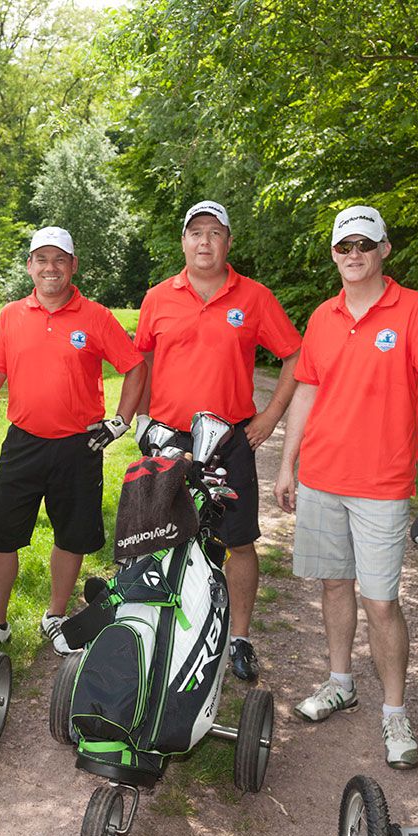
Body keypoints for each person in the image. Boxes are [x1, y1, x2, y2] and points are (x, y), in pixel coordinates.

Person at [272, 204, 418, 770]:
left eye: (364, 244)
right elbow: (305, 393)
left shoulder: (416, 310)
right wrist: (288, 466)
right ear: (334, 254)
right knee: (334, 586)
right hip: (322, 478)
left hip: (382, 484)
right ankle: (340, 682)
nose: (352, 254)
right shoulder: (323, 316)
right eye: (343, 246)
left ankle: (394, 711)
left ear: (384, 250)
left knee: (380, 602)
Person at [133, 200, 302, 683]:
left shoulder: (254, 297)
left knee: (238, 541)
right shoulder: (159, 296)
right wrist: (143, 422)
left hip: (229, 439)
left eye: (214, 233)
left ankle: (238, 638)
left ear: (228, 242)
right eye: (195, 233)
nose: (204, 242)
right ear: (183, 241)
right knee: (157, 538)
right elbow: (140, 363)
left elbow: (294, 356)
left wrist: (270, 416)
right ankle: (160, 629)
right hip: (168, 437)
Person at [0, 226, 145, 656]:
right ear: (29, 267)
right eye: (41, 259)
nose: (50, 268)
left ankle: (55, 617)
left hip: (79, 445)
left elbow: (135, 366)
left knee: (72, 536)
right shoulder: (11, 315)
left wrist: (120, 421)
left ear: (73, 266)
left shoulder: (94, 315)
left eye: (59, 259)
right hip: (23, 442)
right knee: (1, 535)